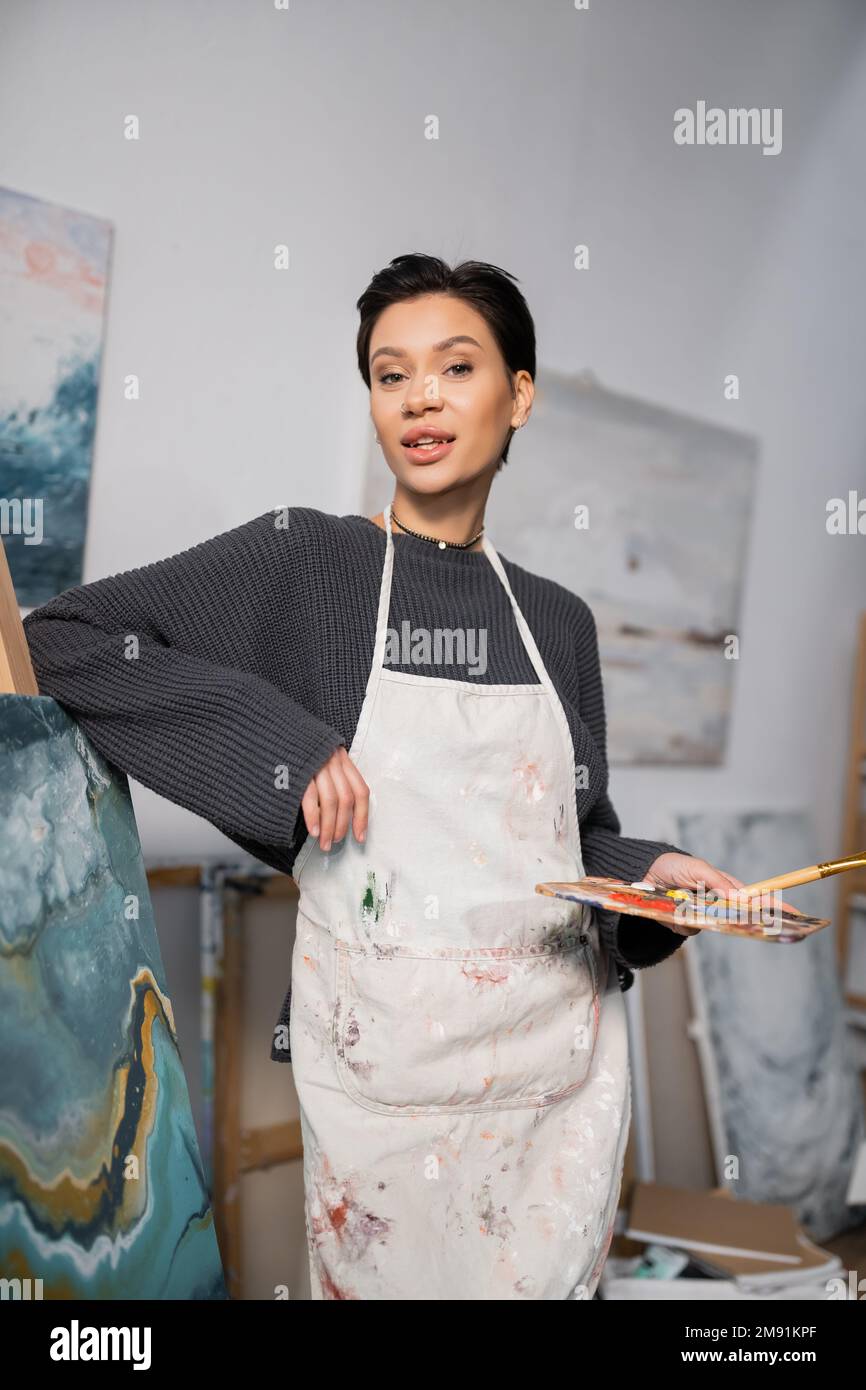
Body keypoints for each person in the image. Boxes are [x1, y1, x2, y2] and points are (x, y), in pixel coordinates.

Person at [23, 252, 745, 1300]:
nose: (418, 399)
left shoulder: (558, 620)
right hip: (390, 1087)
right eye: (388, 372)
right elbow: (63, 639)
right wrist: (280, 743)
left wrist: (653, 874)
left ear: (519, 396)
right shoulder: (312, 567)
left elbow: (568, 838)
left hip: (557, 1083)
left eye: (454, 367)